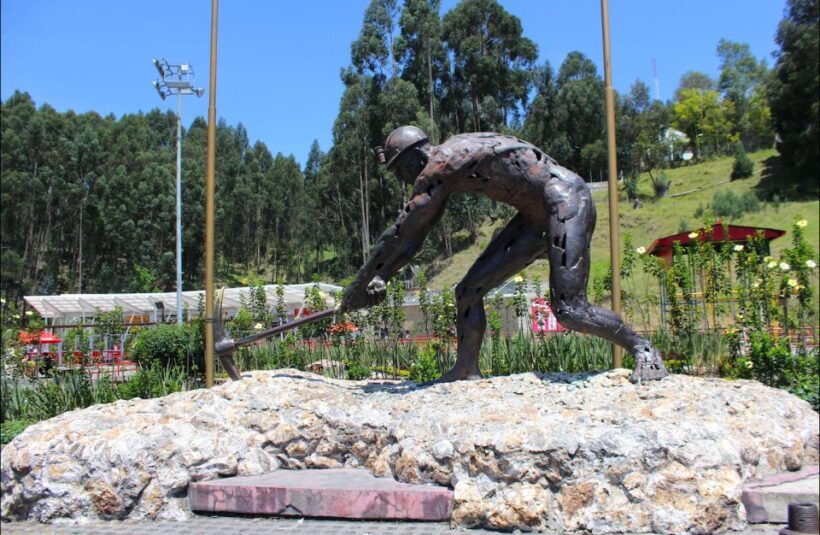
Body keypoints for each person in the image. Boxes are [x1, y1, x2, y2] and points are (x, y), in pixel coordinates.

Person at [339, 126, 667, 383]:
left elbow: (398, 230)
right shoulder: (445, 168)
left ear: (413, 158)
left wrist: (356, 288)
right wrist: (383, 275)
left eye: (400, 170)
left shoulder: (440, 164)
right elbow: (416, 235)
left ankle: (643, 348)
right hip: (535, 216)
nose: (403, 178)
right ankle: (466, 369)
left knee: (569, 309)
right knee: (468, 292)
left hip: (566, 201)